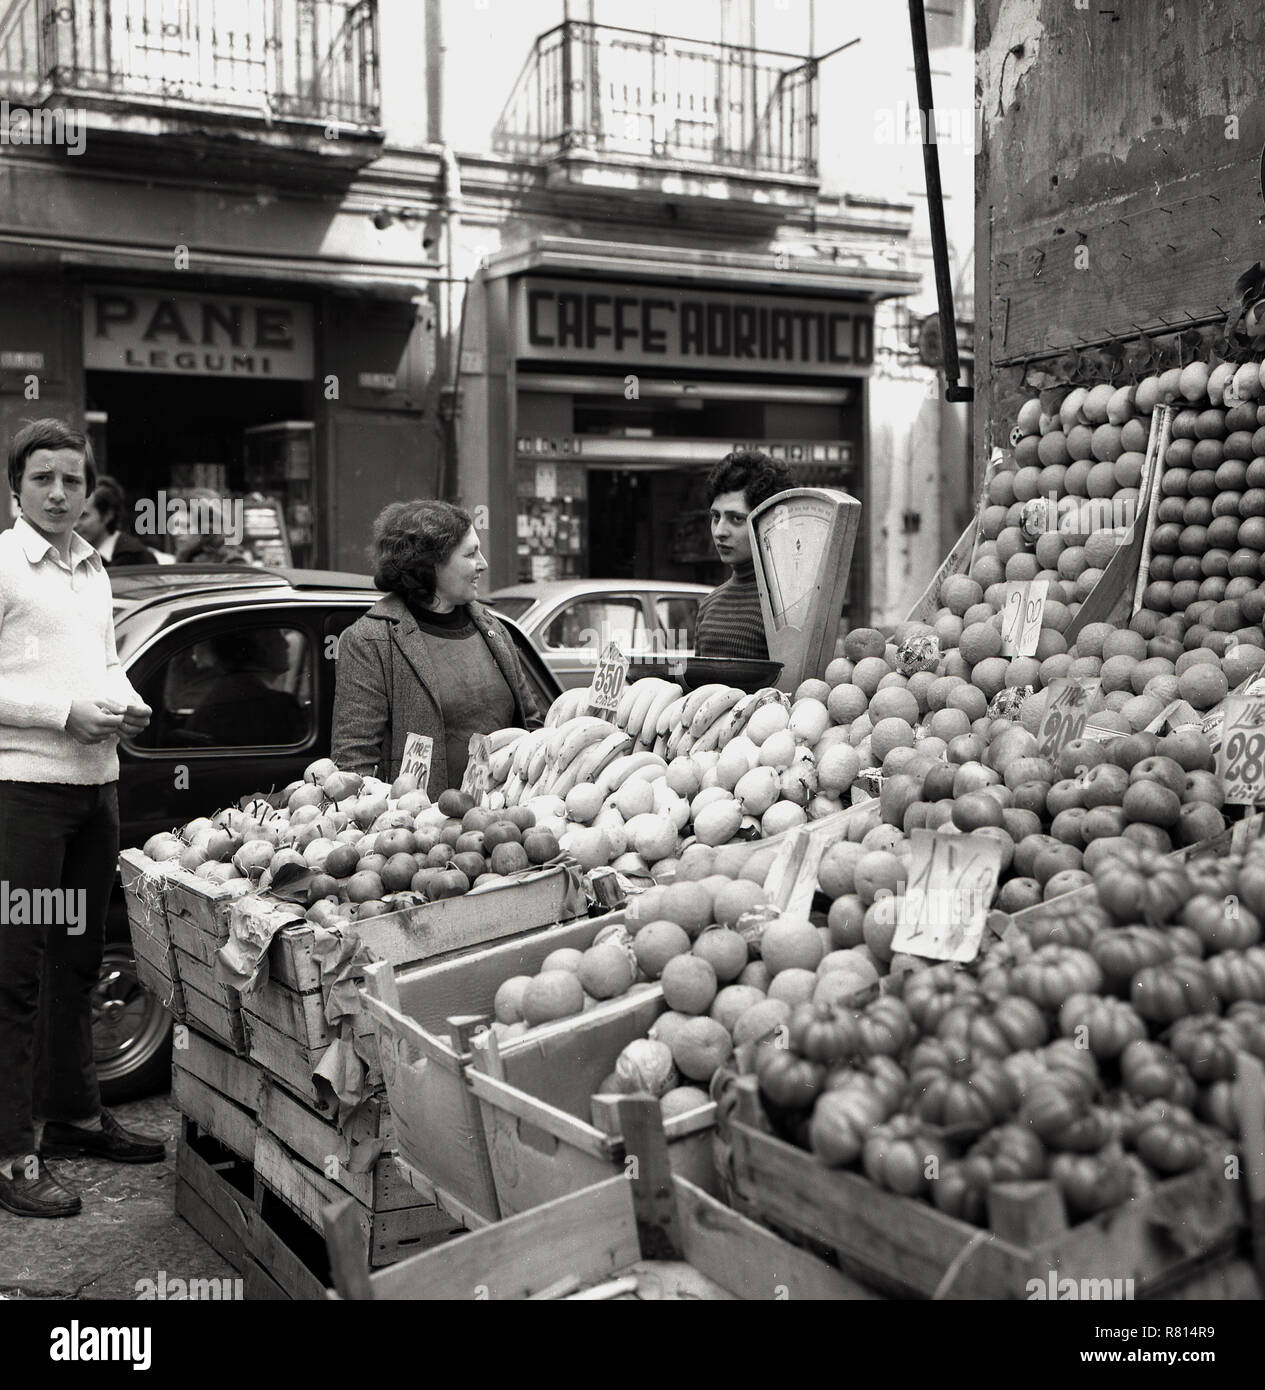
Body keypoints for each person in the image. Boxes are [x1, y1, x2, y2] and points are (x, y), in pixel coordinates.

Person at [0, 418, 162, 1221]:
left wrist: (127, 705)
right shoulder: (2, 565)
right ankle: (11, 1153)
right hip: (22, 798)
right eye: (44, 480)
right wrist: (63, 712)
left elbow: (105, 663)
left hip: (95, 797)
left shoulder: (93, 570)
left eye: (73, 481)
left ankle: (71, 1117)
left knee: (75, 963)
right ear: (16, 487)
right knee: (14, 976)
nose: (61, 494)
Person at [332, 500, 544, 793]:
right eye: (470, 554)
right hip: (420, 830)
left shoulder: (494, 630)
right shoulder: (369, 640)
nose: (483, 563)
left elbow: (531, 724)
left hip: (503, 827)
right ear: (430, 565)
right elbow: (354, 764)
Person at [694, 449, 796, 660]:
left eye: (736, 519)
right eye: (715, 516)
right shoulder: (709, 604)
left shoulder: (791, 604)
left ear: (769, 522)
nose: (720, 531)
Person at [74, 476, 158, 567]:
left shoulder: (139, 558)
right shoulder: (72, 556)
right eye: (73, 515)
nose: (75, 524)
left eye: (83, 516)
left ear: (107, 516)